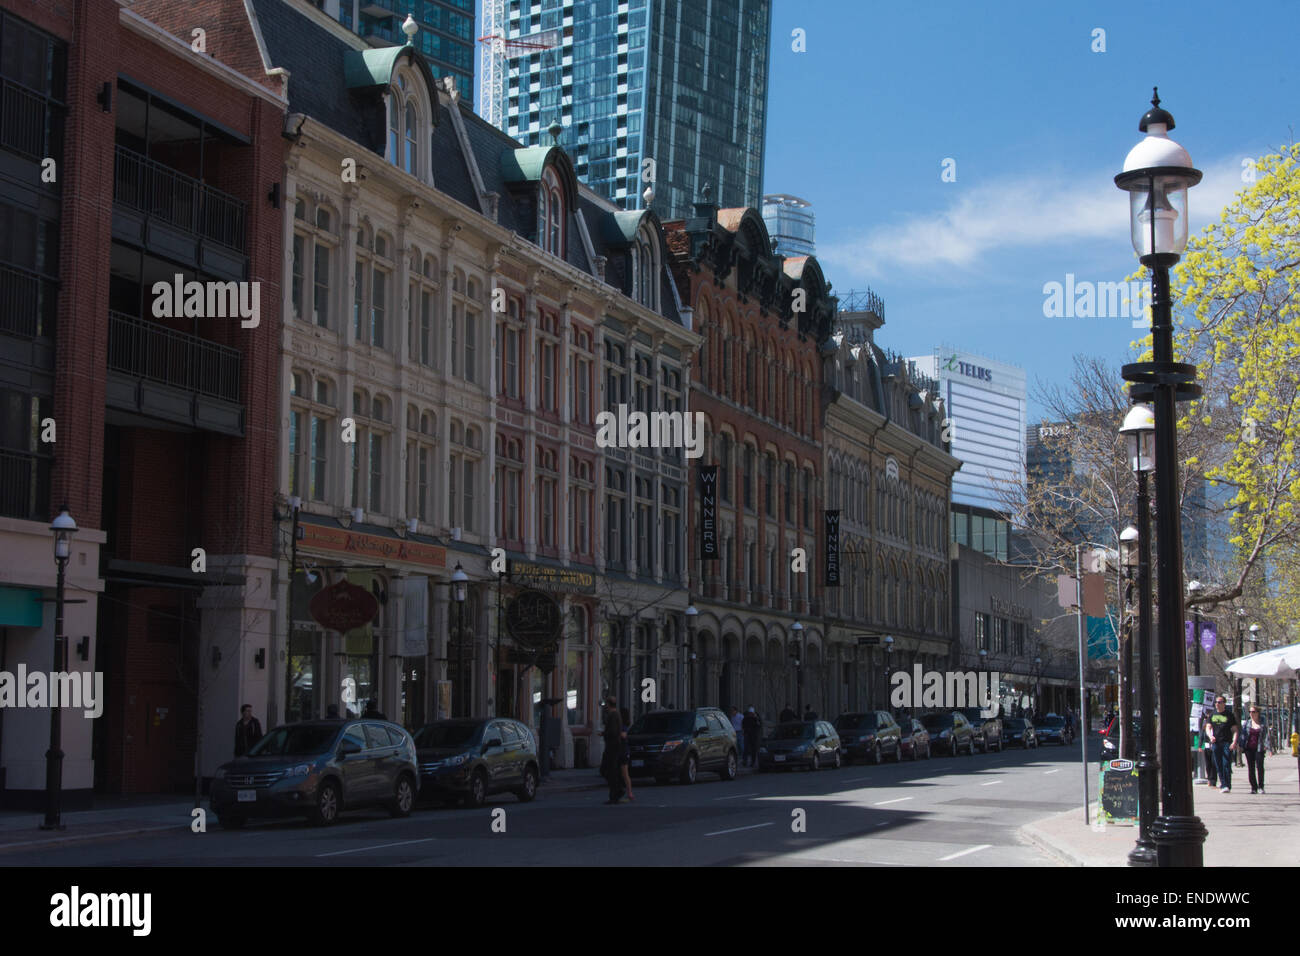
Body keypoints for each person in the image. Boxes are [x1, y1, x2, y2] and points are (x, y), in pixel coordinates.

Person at [1206, 695, 1239, 792]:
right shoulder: (1212, 714)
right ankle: (1223, 784)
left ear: (1224, 703)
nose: (1217, 704)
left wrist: (1234, 742)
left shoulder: (1229, 715)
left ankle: (1227, 785)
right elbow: (1208, 727)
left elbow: (1235, 730)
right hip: (1216, 743)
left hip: (1226, 743)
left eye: (1220, 702)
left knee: (1226, 764)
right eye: (1216, 702)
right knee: (1218, 764)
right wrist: (1210, 736)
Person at [601, 697, 626, 804]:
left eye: (606, 704)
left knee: (609, 770)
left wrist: (604, 733)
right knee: (610, 770)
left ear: (608, 704)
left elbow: (614, 732)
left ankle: (615, 793)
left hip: (613, 746)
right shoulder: (615, 715)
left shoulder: (613, 715)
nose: (604, 706)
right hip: (614, 746)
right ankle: (617, 790)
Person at [1242, 705, 1267, 794]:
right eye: (1250, 712)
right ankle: (1253, 787)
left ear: (1258, 713)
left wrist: (1267, 746)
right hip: (1249, 748)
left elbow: (1266, 736)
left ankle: (1261, 786)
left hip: (1259, 748)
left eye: (1253, 712)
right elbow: (1243, 735)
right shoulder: (1247, 723)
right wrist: (1240, 745)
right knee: (1251, 768)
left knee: (1260, 767)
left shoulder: (1262, 723)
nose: (1251, 714)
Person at [619, 706, 635, 802]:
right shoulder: (623, 725)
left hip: (623, 752)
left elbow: (623, 735)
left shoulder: (623, 726)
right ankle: (627, 792)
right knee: (623, 774)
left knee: (625, 774)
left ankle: (629, 793)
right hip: (623, 751)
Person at [1202, 717, 1218, 787]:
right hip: (1207, 747)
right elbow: (1202, 737)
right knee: (1208, 765)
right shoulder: (1205, 728)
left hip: (1214, 747)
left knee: (1213, 764)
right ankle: (1209, 778)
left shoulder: (1216, 728)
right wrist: (1200, 746)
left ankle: (1213, 781)